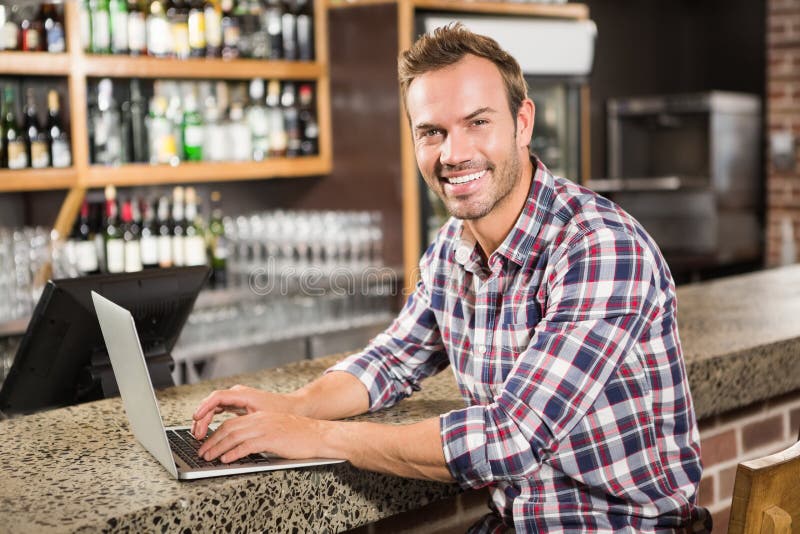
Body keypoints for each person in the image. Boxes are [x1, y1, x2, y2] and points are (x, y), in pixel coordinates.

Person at [192, 23, 709, 532]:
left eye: (477, 122)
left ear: (522, 122)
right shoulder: (451, 248)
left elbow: (510, 439)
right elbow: (391, 361)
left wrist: (318, 437)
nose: (453, 153)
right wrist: (292, 407)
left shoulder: (598, 246)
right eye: (432, 131)